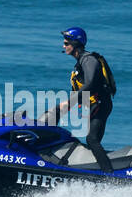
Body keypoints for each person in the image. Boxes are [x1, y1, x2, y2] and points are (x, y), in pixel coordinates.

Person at [48, 27, 116, 172]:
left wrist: (70, 102)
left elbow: (90, 83)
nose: (63, 46)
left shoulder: (88, 59)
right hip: (94, 105)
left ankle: (109, 175)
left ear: (75, 43)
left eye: (66, 43)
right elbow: (80, 91)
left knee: (92, 139)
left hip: (100, 105)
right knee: (92, 140)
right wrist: (65, 107)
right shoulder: (80, 63)